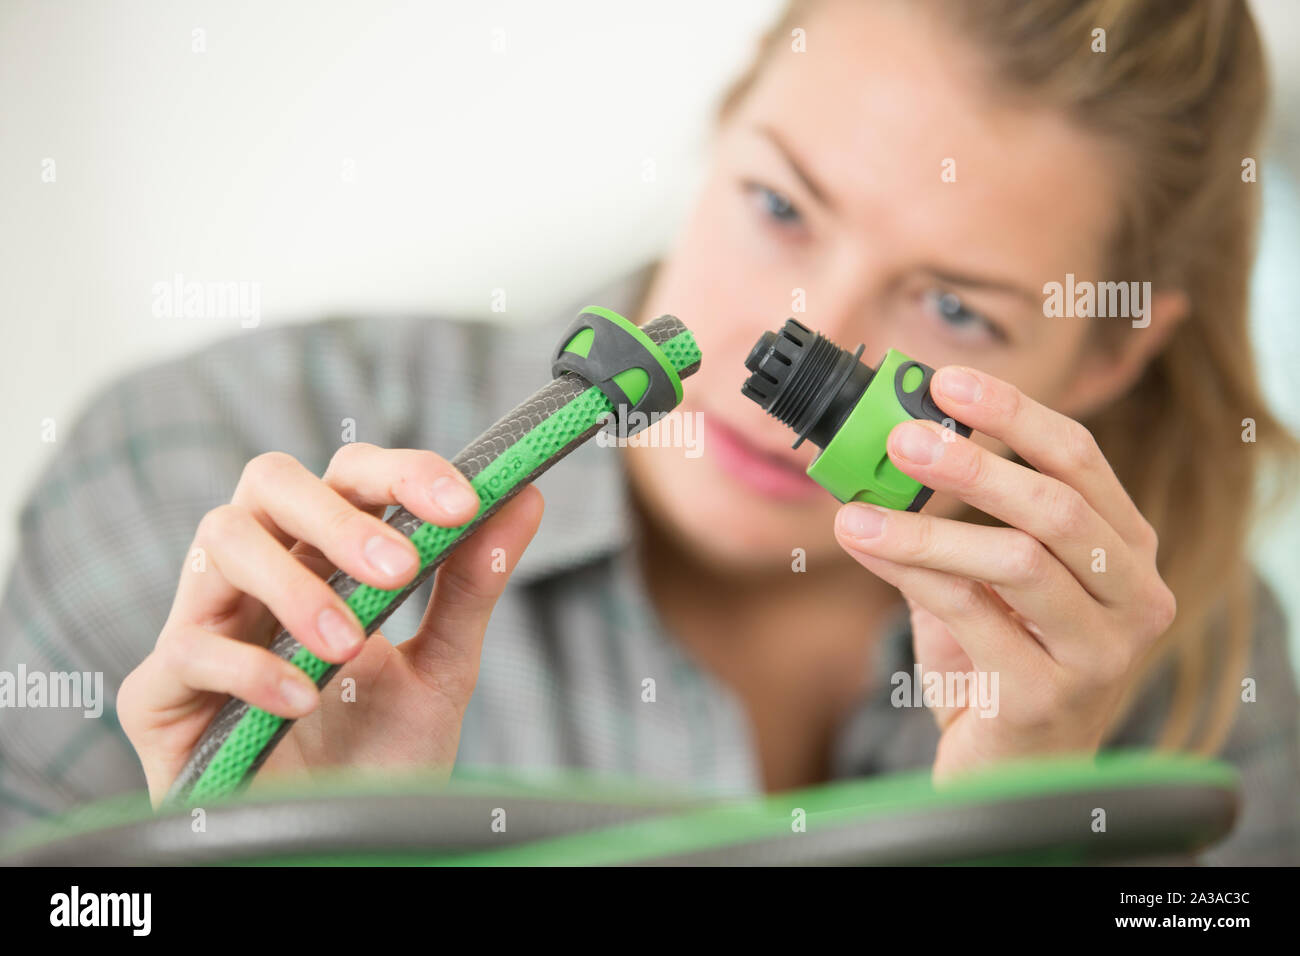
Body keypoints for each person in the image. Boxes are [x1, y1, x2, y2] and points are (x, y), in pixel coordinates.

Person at [2, 0, 1296, 864]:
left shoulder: (1189, 672)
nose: (791, 348)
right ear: (720, 133)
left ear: (1114, 343)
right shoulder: (193, 478)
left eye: (955, 305)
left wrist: (1020, 811)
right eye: (781, 206)